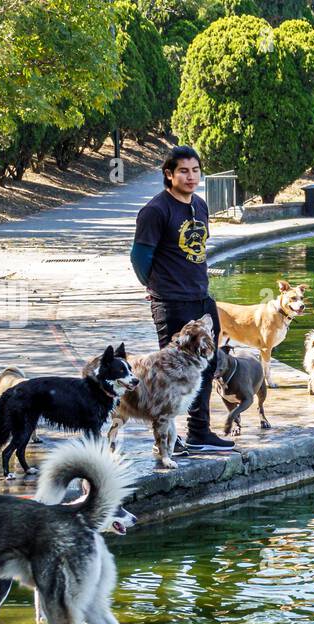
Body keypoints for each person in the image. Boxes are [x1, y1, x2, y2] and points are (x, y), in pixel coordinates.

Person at [129, 145, 234, 451]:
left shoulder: (199, 205)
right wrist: (157, 287)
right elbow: (139, 257)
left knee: (209, 363)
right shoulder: (155, 211)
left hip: (201, 298)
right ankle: (168, 441)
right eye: (183, 171)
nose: (190, 177)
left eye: (195, 170)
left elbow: (199, 249)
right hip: (171, 301)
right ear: (169, 174)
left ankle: (199, 431)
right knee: (171, 373)